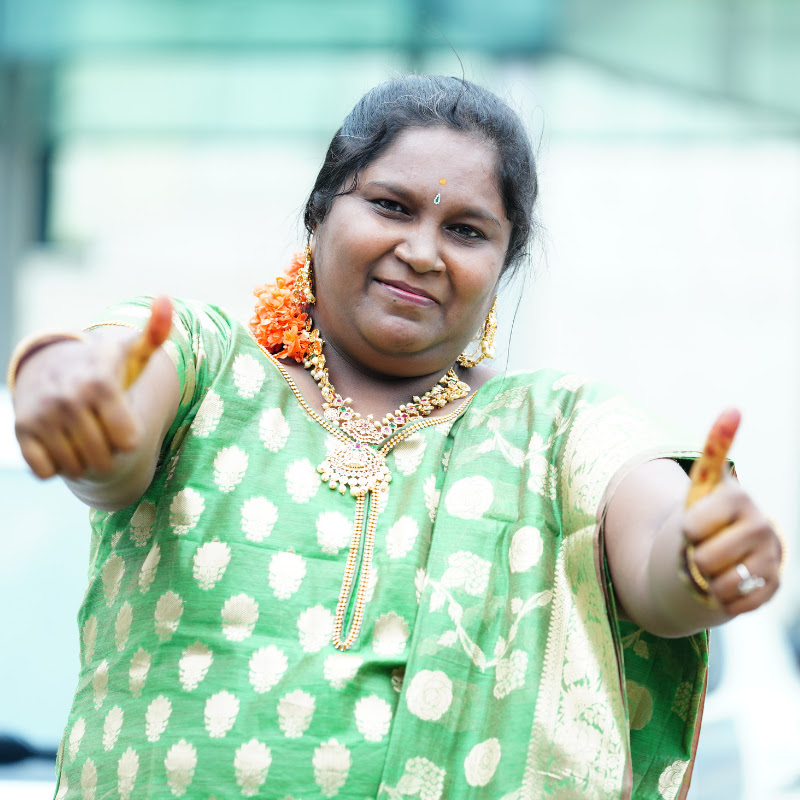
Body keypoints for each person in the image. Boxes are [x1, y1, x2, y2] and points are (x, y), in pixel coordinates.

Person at [8, 75, 783, 800]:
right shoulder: (206, 367)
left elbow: (660, 548)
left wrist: (699, 554)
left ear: (503, 265)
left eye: (466, 230)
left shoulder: (555, 430)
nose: (421, 251)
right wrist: (65, 389)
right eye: (390, 206)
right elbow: (114, 402)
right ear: (318, 213)